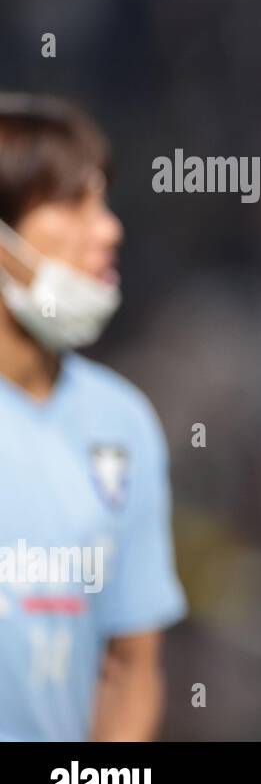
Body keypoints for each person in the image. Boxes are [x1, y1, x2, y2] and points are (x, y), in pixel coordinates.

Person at [0, 93, 187, 741]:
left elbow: (130, 667)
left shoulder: (122, 423)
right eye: (72, 202)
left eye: (102, 202)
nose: (108, 229)